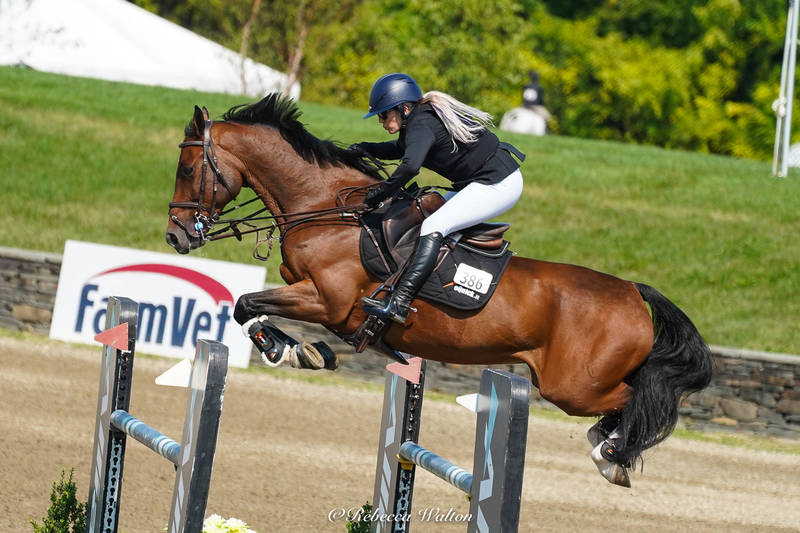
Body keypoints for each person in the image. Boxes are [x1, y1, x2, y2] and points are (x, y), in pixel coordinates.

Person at [350, 73, 525, 325]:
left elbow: (410, 167)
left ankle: (400, 302)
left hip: (499, 183)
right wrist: (363, 148)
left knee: (434, 225)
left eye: (384, 114)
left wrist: (378, 195)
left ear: (404, 108)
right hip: (482, 182)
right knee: (426, 212)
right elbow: (400, 151)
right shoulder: (418, 120)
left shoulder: (422, 123)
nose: (381, 121)